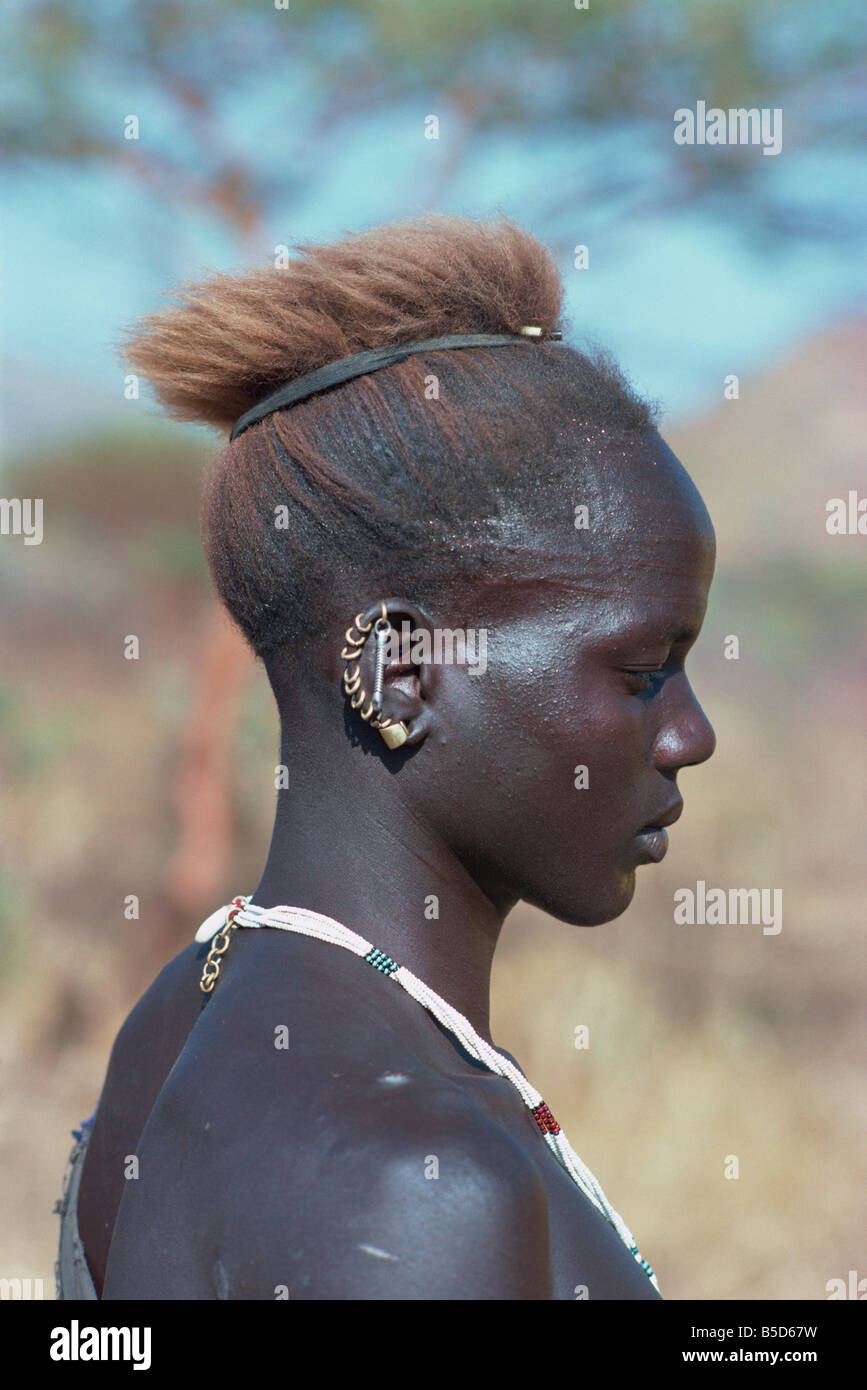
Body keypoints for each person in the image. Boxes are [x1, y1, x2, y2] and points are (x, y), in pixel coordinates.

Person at [56, 213, 716, 1300]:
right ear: (400, 674)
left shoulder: (188, 1006)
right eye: (643, 670)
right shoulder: (419, 1187)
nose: (692, 734)